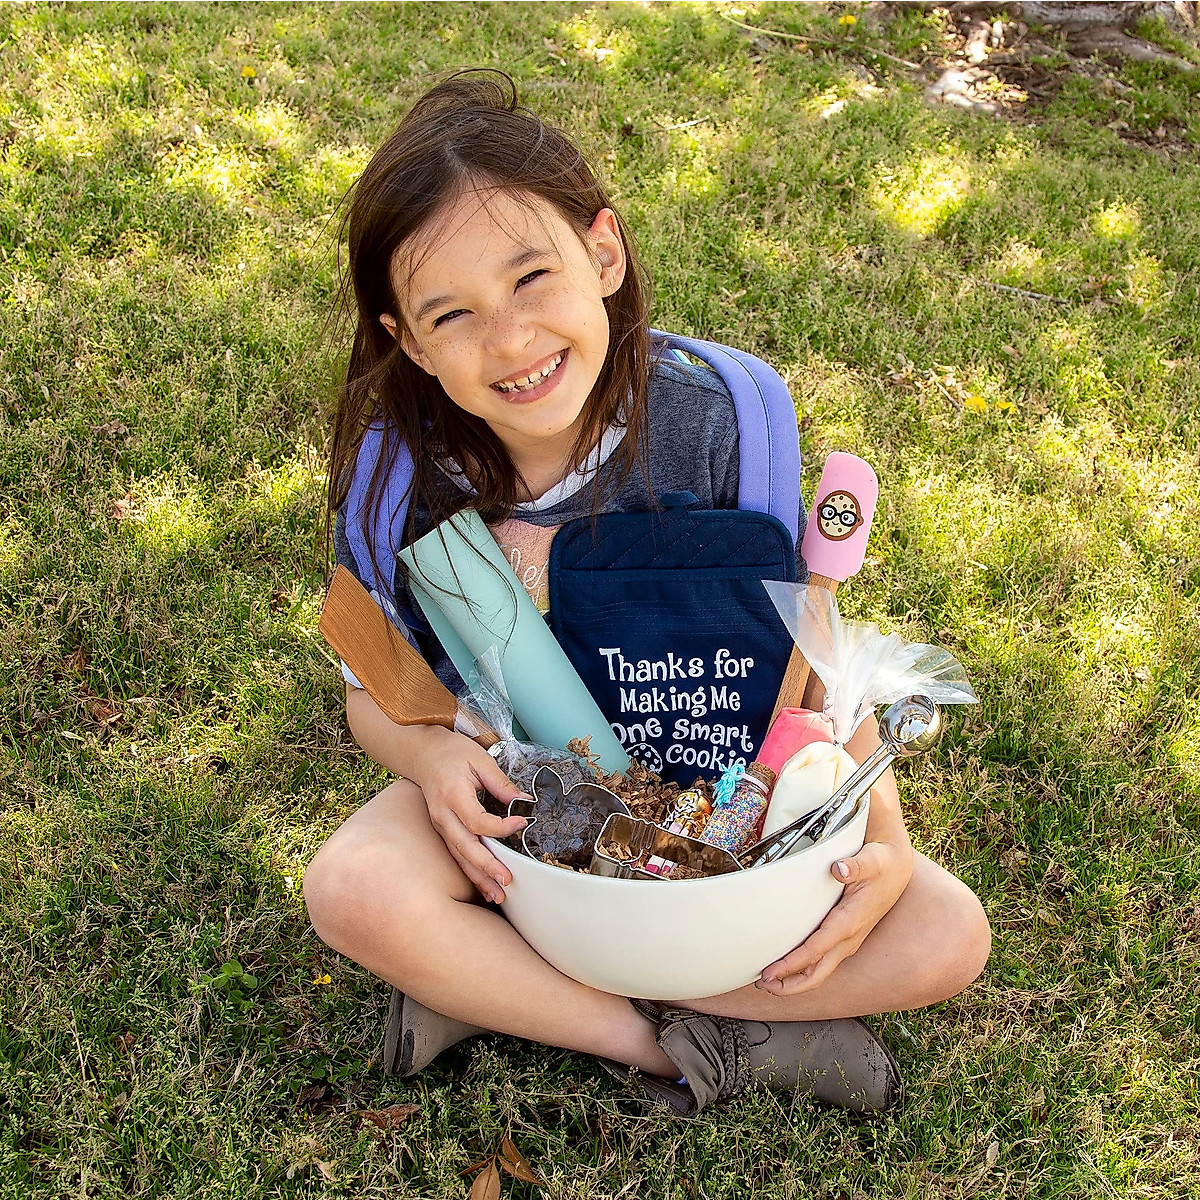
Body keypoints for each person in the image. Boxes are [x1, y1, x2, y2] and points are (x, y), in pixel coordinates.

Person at [303, 69, 991, 1117]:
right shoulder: (403, 482)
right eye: (453, 314)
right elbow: (376, 690)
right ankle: (688, 1044)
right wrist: (432, 757)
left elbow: (805, 673)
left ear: (605, 253)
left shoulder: (718, 422)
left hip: (726, 807)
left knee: (948, 933)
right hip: (525, 821)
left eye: (533, 278)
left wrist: (883, 842)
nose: (512, 340)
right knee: (351, 889)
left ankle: (498, 990)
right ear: (409, 341)